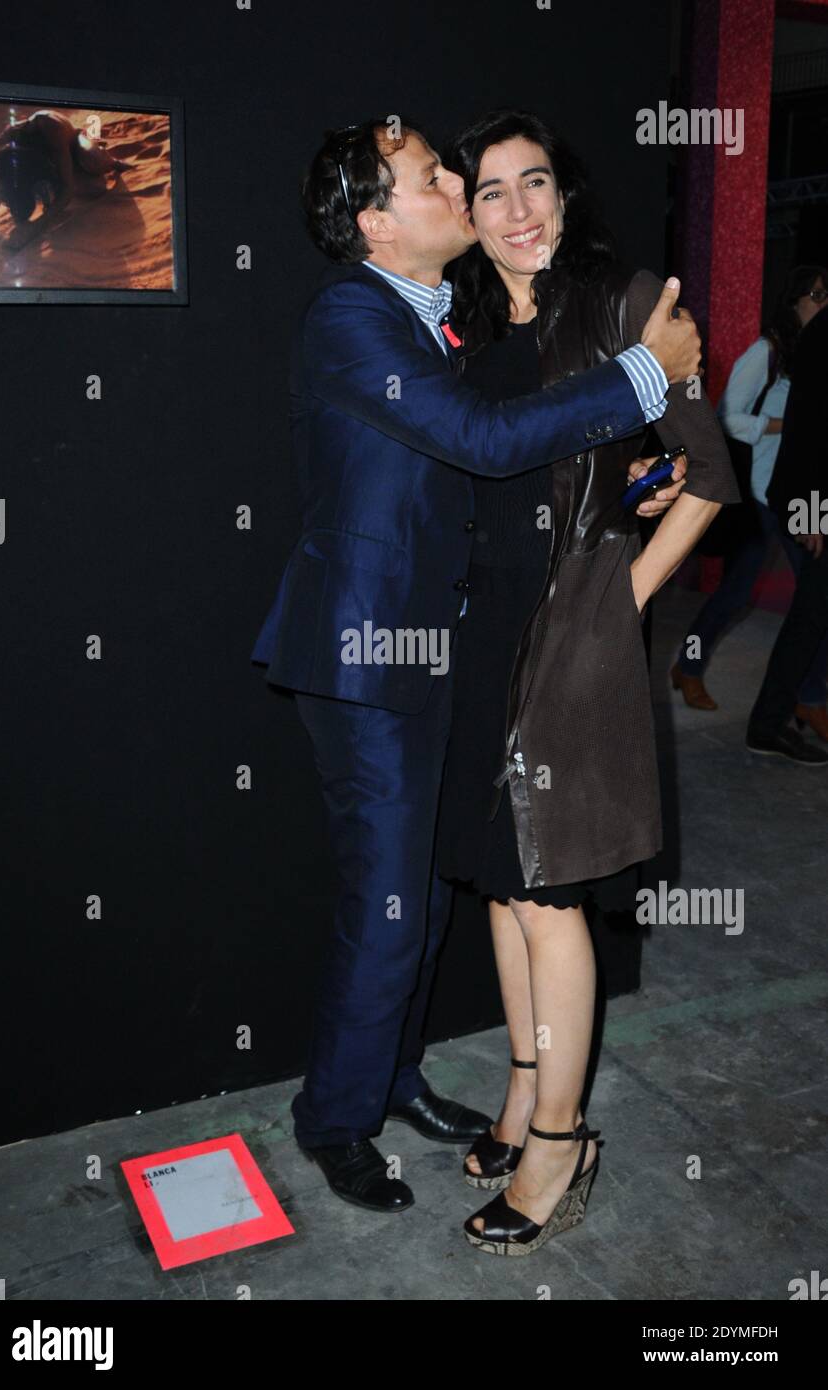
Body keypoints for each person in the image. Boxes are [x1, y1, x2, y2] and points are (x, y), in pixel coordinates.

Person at [250, 115, 700, 1215]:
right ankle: (336, 1117)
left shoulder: (435, 315)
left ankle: (391, 1076)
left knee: (430, 892)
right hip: (364, 651)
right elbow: (484, 441)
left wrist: (617, 497)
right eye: (433, 177)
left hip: (442, 646)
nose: (457, 186)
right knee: (392, 899)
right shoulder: (352, 317)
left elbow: (492, 474)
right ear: (374, 220)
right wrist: (648, 371)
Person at [432, 107, 738, 1255]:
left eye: (535, 182)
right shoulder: (463, 325)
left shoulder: (625, 302)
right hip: (484, 628)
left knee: (553, 897)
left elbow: (704, 471)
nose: (517, 210)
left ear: (564, 194)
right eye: (491, 191)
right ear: (464, 214)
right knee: (507, 888)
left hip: (572, 632)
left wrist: (622, 600)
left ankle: (560, 1139)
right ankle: (522, 1092)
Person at [670, 265, 828, 732]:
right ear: (794, 301)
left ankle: (809, 697)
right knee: (736, 594)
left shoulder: (811, 355)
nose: (822, 303)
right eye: (815, 295)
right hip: (760, 491)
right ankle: (689, 666)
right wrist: (781, 426)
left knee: (815, 602)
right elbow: (728, 417)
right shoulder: (767, 353)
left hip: (791, 495)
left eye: (827, 295)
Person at [746, 299, 828, 763]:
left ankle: (789, 710)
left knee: (812, 615)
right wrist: (812, 513)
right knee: (809, 616)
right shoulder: (824, 332)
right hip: (813, 506)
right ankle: (772, 721)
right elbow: (811, 430)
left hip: (812, 501)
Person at [0, 108, 131, 233]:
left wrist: (39, 224)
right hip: (50, 163)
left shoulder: (48, 127)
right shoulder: (5, 145)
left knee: (92, 164)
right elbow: (0, 185)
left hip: (72, 147)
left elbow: (68, 189)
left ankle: (112, 161)